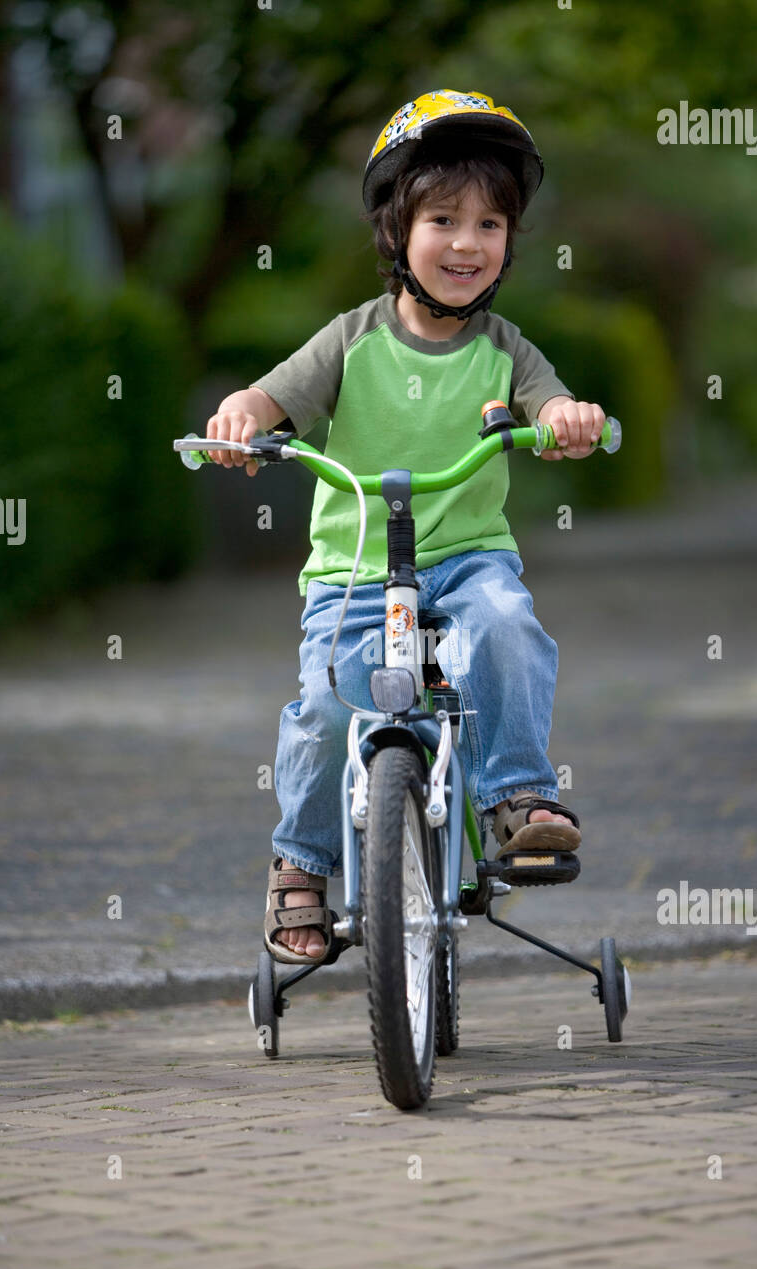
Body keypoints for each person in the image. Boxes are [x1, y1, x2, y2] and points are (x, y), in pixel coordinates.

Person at [204, 90, 606, 965]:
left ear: (508, 244)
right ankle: (299, 865)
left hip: (466, 563)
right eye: (444, 218)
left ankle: (518, 800)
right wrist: (241, 416)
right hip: (352, 570)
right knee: (320, 710)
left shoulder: (508, 350)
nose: (468, 242)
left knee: (507, 622)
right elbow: (266, 399)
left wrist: (570, 418)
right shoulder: (348, 344)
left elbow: (556, 405)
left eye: (491, 224)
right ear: (397, 230)